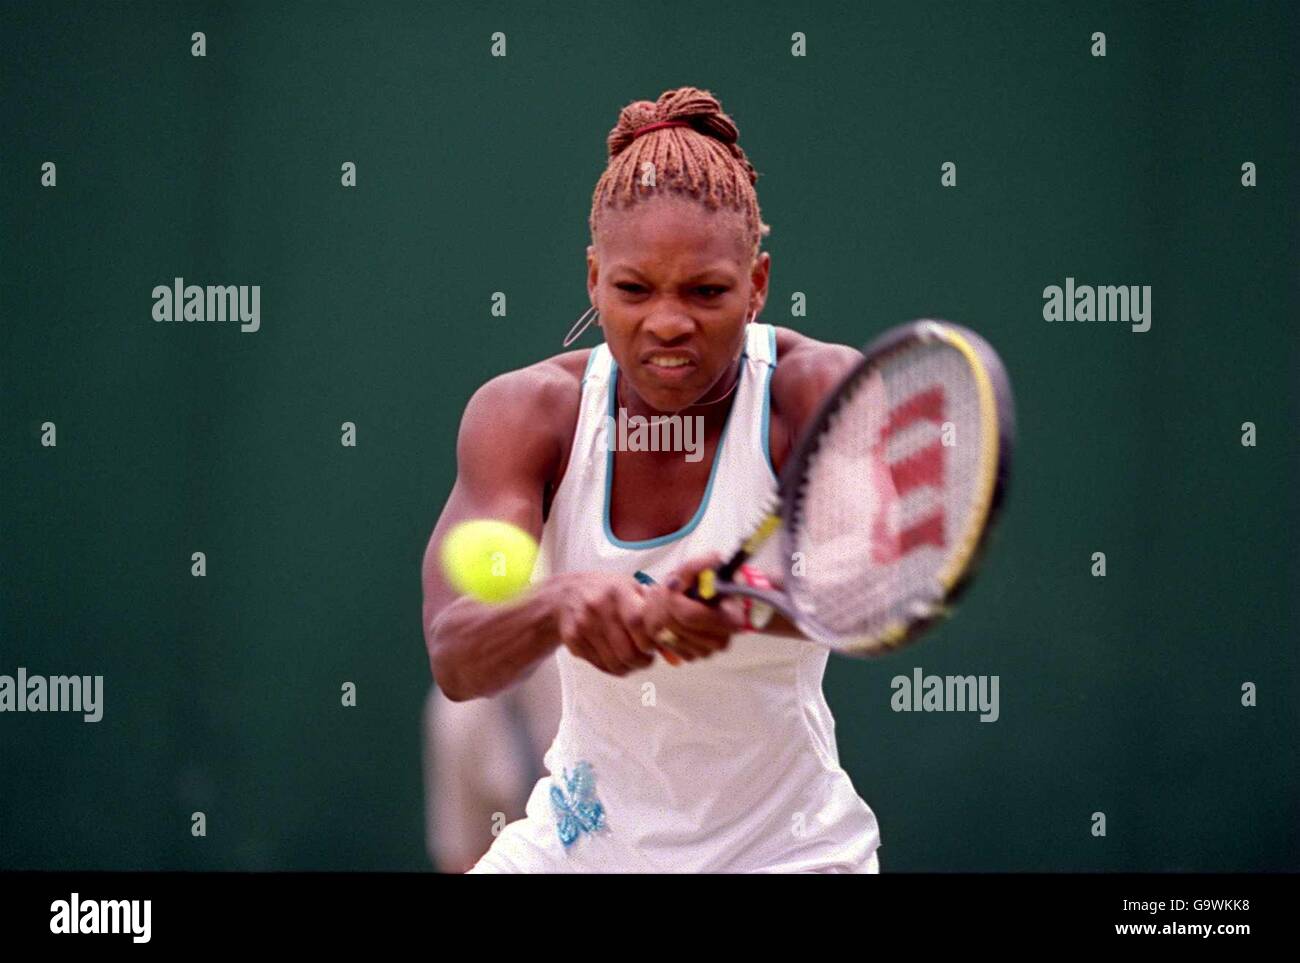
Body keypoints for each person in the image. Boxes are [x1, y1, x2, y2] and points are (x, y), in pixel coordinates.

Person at [421, 86, 884, 872]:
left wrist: (743, 600)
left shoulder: (818, 391)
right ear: (595, 279)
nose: (668, 320)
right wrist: (556, 606)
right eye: (635, 289)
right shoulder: (526, 414)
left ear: (759, 284)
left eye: (706, 291)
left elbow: (871, 586)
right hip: (574, 848)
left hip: (791, 853)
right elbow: (456, 657)